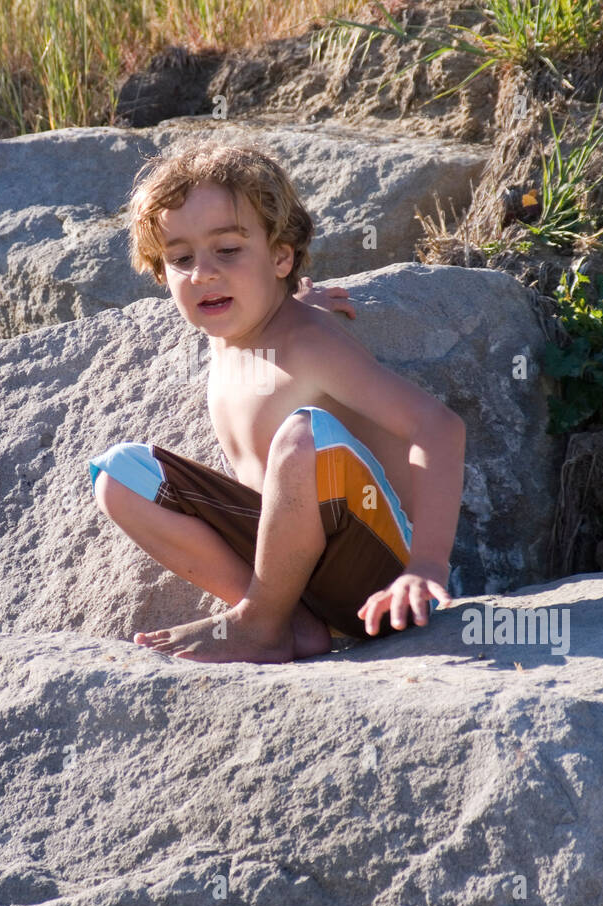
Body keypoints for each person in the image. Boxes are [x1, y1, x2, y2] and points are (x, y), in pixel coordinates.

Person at [88, 143, 466, 663]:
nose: (203, 274)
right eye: (181, 258)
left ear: (280, 257)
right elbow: (268, 332)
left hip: (379, 574)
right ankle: (286, 621)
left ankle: (257, 623)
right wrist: (290, 299)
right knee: (118, 476)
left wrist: (427, 565)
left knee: (303, 433)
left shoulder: (308, 342)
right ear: (161, 273)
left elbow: (438, 427)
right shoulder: (239, 334)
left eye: (228, 250)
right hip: (294, 574)